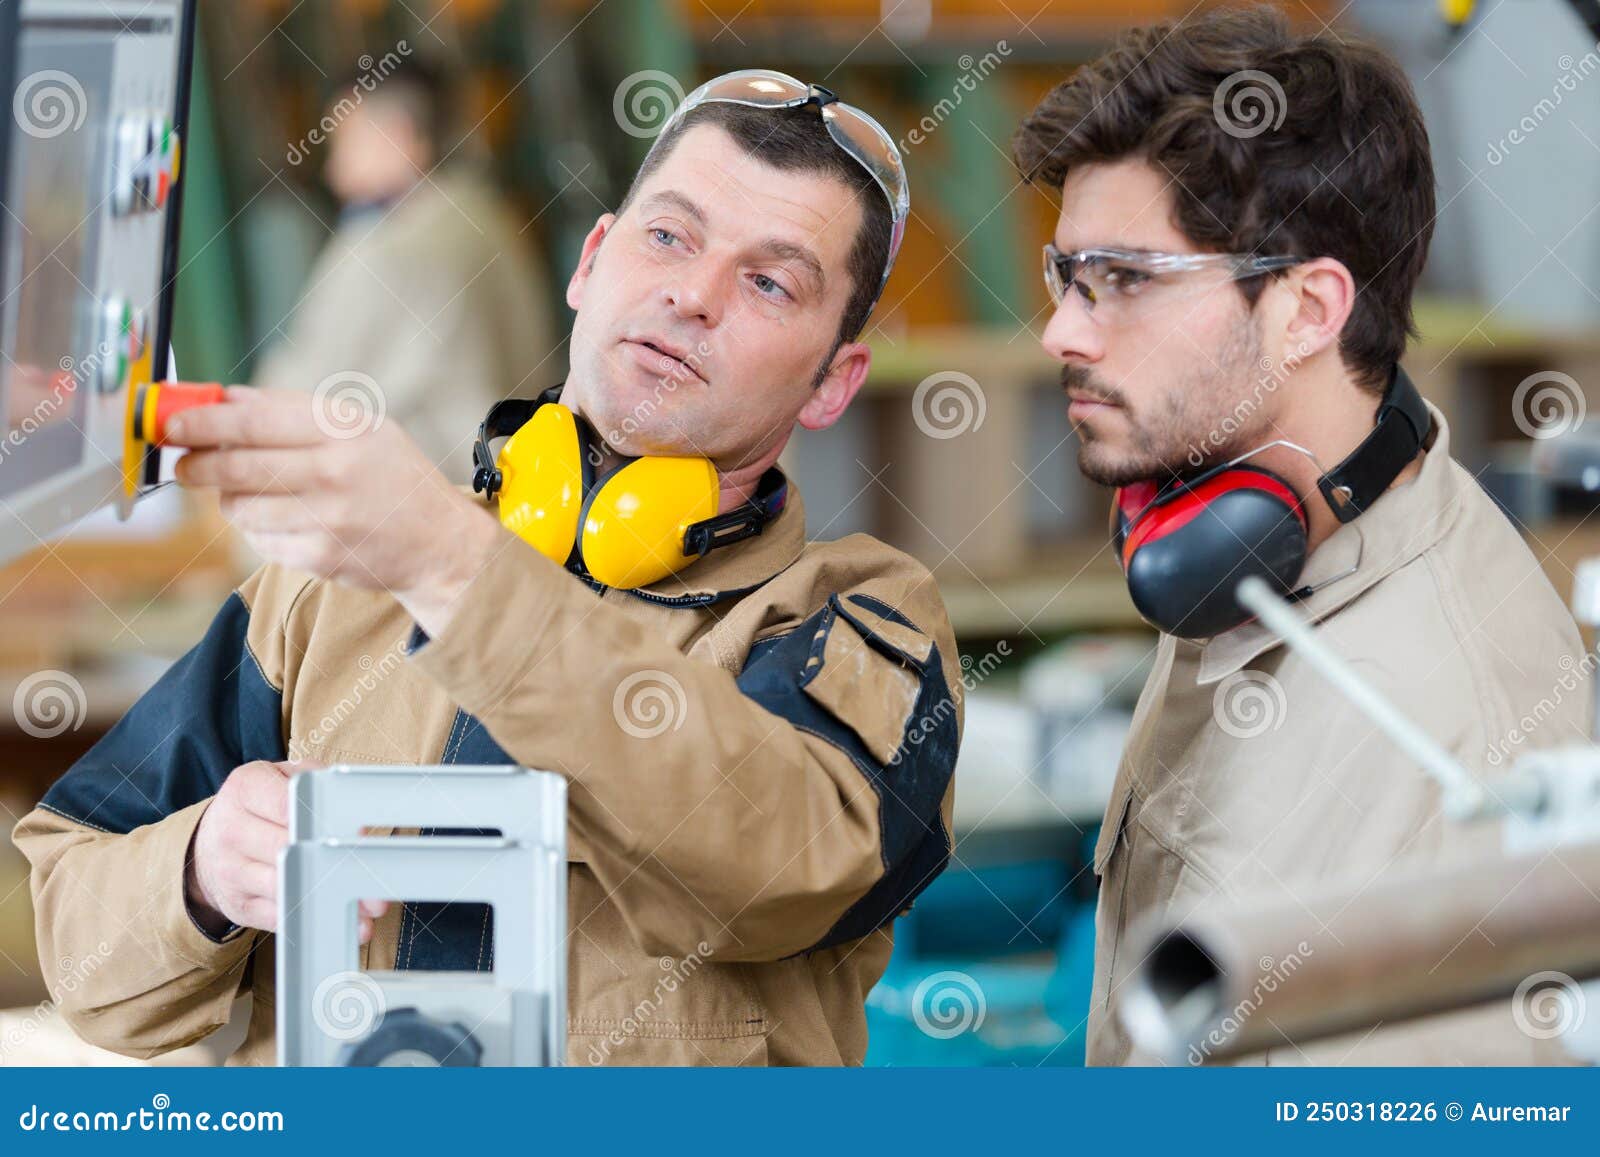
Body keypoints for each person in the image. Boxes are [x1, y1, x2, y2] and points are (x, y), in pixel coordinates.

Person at [15, 71, 960, 1067]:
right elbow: (79, 948)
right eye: (669, 236)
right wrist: (202, 868)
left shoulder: (856, 618)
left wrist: (454, 568)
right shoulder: (327, 588)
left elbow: (785, 868)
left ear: (833, 381)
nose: (693, 294)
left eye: (770, 282)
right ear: (591, 264)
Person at [1012, 7, 1589, 1064]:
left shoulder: (1452, 737)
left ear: (1307, 310)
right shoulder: (1246, 549)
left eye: (1125, 279)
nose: (1063, 330)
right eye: (1066, 275)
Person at [254, 56, 555, 475]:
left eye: (344, 143)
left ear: (397, 136)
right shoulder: (490, 215)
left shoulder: (386, 247)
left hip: (433, 492)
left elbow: (306, 390)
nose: (332, 170)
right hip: (518, 477)